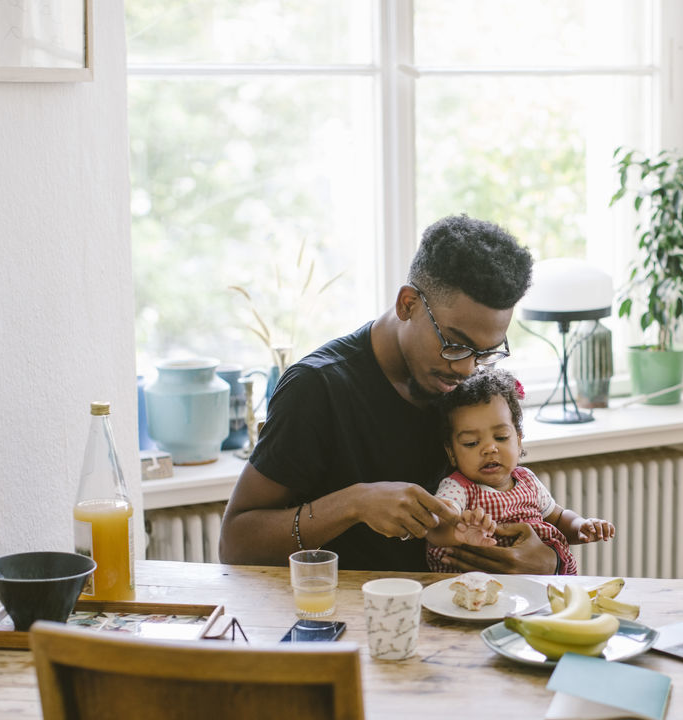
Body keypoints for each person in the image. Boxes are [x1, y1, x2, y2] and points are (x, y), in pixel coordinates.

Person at [219, 214, 560, 574]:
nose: (466, 369)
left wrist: (548, 561)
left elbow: (518, 508)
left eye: (484, 353)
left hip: (468, 613)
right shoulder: (318, 389)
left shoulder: (466, 383)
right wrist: (355, 503)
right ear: (407, 304)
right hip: (354, 618)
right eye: (455, 344)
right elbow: (235, 544)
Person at [424, 369, 615, 573]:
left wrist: (581, 526)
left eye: (501, 437)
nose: (490, 448)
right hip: (477, 590)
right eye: (471, 443)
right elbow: (436, 527)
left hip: (537, 585)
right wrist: (459, 530)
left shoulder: (528, 480)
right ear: (451, 453)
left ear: (518, 439)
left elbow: (558, 518)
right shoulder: (457, 487)